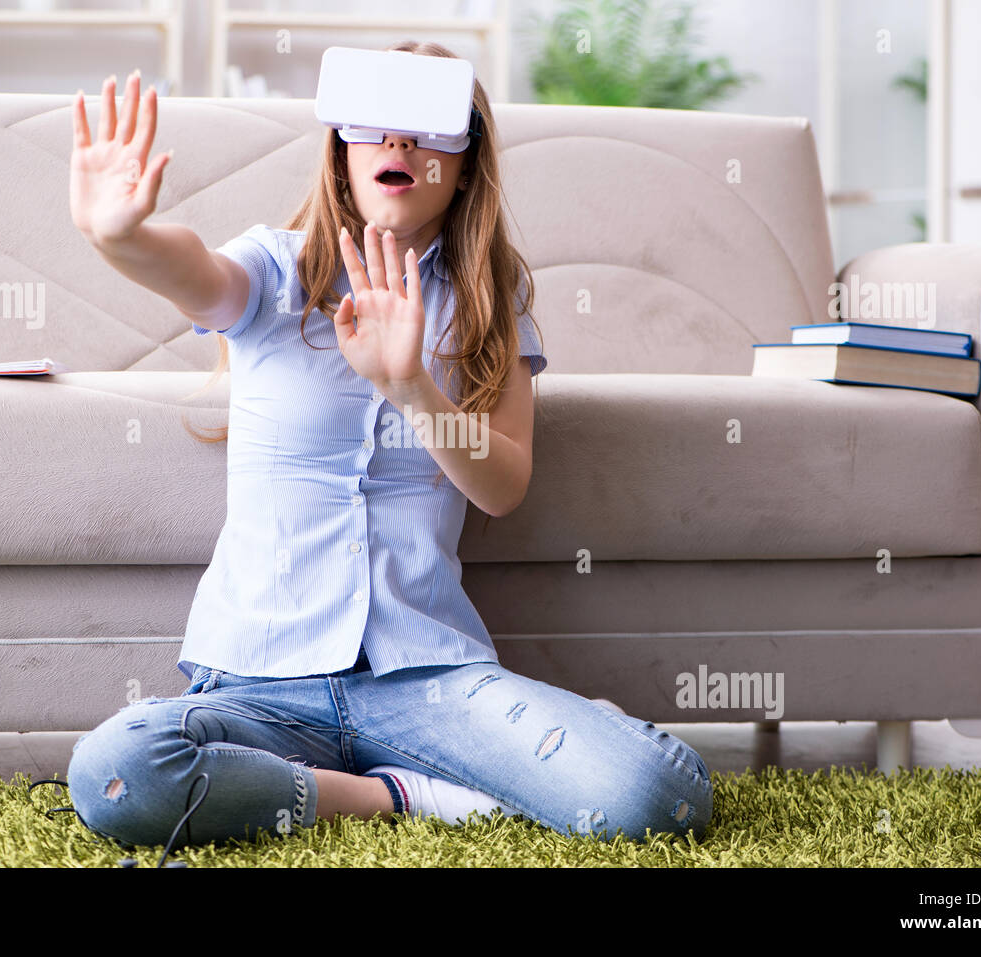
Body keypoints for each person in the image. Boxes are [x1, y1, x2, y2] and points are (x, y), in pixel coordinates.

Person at [63, 41, 712, 856]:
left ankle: (543, 748)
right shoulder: (275, 269)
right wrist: (121, 238)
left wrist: (412, 386)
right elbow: (193, 270)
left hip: (429, 683)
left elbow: (503, 485)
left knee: (655, 794)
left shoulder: (492, 299)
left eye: (427, 127)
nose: (397, 144)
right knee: (119, 769)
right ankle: (393, 799)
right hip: (259, 689)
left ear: (466, 162)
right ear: (341, 149)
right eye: (375, 123)